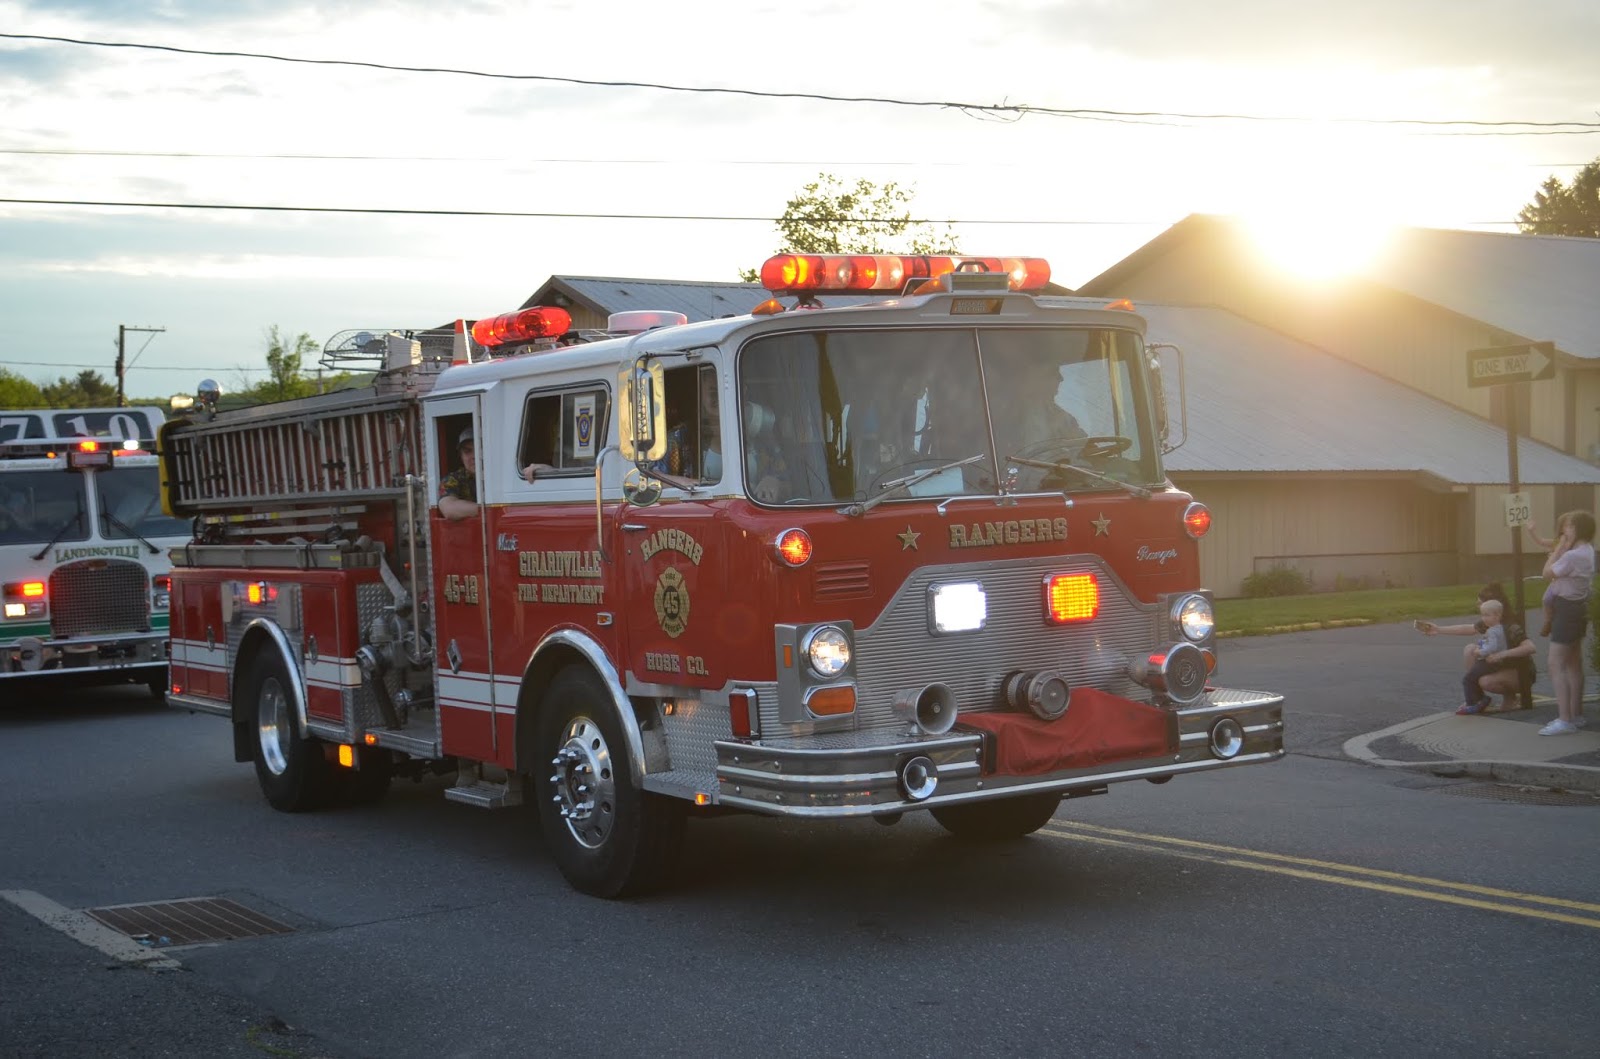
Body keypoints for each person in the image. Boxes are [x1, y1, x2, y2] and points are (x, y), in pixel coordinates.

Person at [1417, 581, 1536, 712]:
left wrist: (1500, 655)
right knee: (1470, 650)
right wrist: (1438, 629)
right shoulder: (1490, 621)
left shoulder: (1511, 626)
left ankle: (1510, 698)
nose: (1477, 605)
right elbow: (1467, 628)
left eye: (1480, 602)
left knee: (1486, 681)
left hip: (1519, 673)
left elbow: (1530, 647)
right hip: (1500, 666)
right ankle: (1476, 698)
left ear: (1493, 608)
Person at [1538, 509, 1595, 735]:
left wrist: (1558, 549)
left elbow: (1546, 573)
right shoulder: (1588, 550)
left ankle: (1565, 720)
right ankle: (1575, 715)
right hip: (1578, 608)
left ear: (1579, 529)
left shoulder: (1572, 556)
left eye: (1569, 526)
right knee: (1573, 663)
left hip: (1566, 609)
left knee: (1555, 664)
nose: (1564, 529)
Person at [1455, 599, 1506, 714]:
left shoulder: (1492, 631)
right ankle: (1481, 699)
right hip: (1499, 660)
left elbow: (1492, 647)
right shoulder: (1501, 628)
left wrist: (1479, 652)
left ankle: (1472, 704)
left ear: (1497, 616)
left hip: (1490, 661)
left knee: (1468, 679)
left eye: (1487, 615)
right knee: (1473, 677)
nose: (1484, 618)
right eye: (1482, 615)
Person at [1522, 514, 1570, 637]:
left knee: (1564, 604)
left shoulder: (1574, 545)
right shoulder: (1557, 542)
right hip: (1556, 580)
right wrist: (1532, 531)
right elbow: (1541, 541)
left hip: (1568, 580)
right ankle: (1548, 621)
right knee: (1546, 599)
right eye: (1565, 526)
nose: (1567, 529)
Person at [438, 427, 478, 521]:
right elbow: (448, 508)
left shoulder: (503, 478)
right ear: (461, 456)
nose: (474, 456)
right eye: (467, 451)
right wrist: (488, 510)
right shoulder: (453, 479)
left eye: (480, 448)